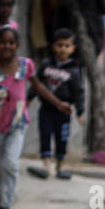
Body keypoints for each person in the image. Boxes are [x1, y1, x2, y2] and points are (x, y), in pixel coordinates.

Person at [0, 26, 43, 209]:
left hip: (17, 123)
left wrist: (58, 103)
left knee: (10, 163)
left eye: (11, 43)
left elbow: (38, 87)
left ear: (17, 45)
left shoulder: (26, 65)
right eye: (3, 42)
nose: (7, 46)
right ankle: (0, 201)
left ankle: (6, 203)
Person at [28, 28, 83, 179]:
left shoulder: (74, 70)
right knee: (45, 134)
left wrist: (80, 110)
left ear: (72, 48)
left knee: (61, 137)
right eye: (59, 45)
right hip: (46, 109)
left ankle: (61, 164)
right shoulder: (46, 65)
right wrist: (28, 99)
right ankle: (46, 164)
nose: (62, 49)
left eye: (66, 46)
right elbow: (36, 84)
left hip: (64, 111)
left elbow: (79, 91)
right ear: (53, 46)